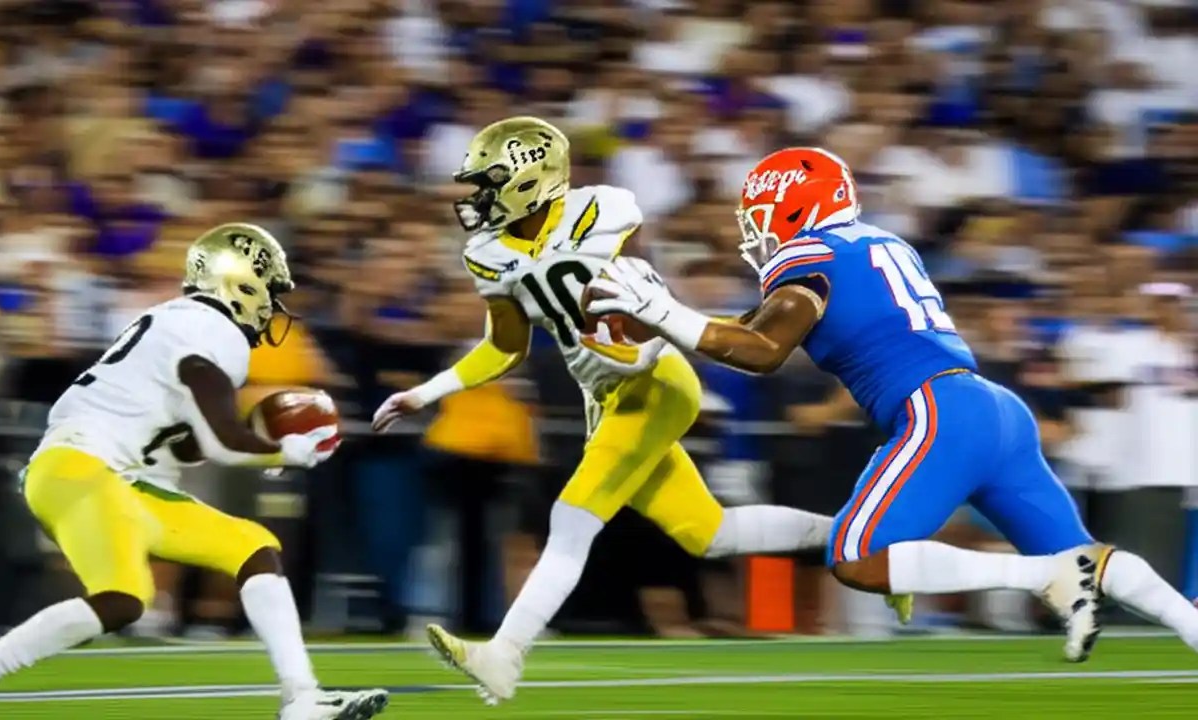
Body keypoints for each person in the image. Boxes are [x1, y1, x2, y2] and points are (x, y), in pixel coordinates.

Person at [586, 147, 1198, 663]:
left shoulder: (808, 257)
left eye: (761, 213)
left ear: (797, 205)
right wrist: (663, 325)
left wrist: (659, 311)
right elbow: (749, 331)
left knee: (855, 559)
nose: (756, 229)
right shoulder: (878, 242)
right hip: (994, 409)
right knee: (1081, 551)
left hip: (938, 413)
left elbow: (764, 349)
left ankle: (1043, 577)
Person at [371, 118, 906, 705]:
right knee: (710, 534)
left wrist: (631, 331)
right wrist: (427, 392)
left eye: (492, 180)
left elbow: (646, 295)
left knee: (573, 519)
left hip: (653, 379)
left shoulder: (606, 210)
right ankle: (868, 542)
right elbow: (506, 347)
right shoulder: (488, 254)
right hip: (605, 398)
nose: (479, 194)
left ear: (531, 177)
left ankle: (504, 655)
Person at [0, 224, 389, 720]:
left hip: (118, 476)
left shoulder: (177, 323)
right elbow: (220, 443)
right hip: (83, 468)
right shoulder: (215, 332)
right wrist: (282, 451)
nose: (271, 308)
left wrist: (258, 438)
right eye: (267, 292)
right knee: (123, 598)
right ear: (238, 285)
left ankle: (303, 697)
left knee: (253, 549)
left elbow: (185, 446)